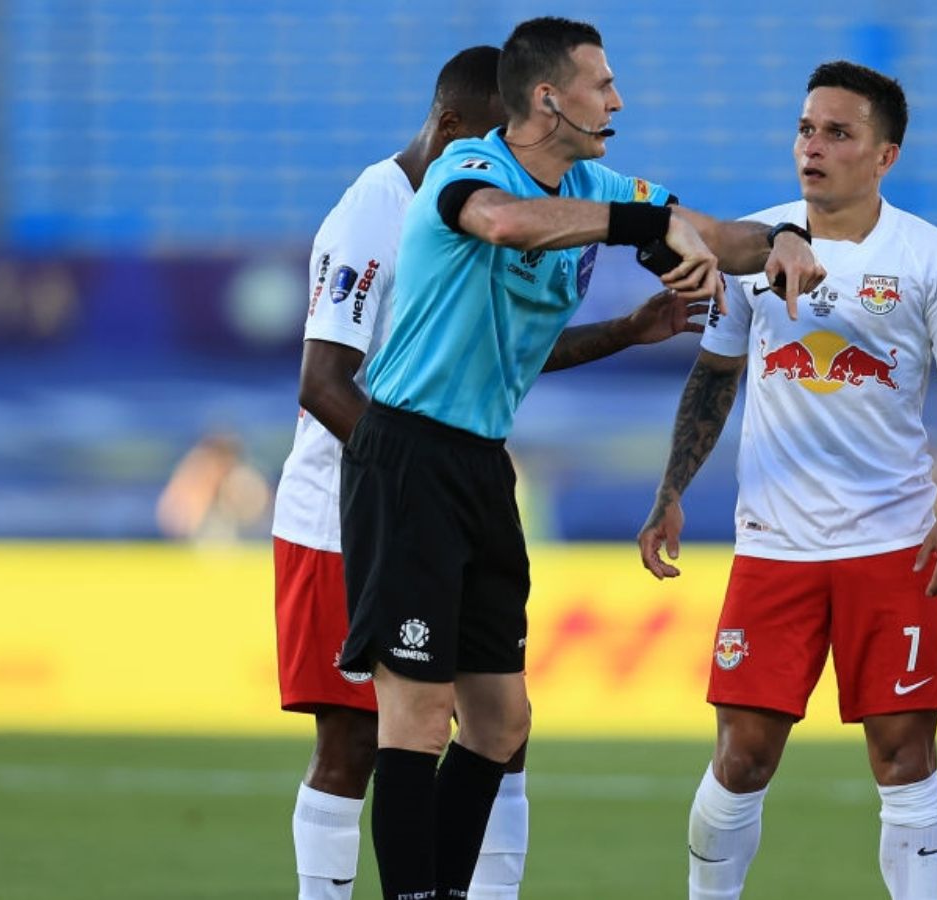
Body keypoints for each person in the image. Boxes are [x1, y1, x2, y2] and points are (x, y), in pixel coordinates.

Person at [335, 17, 825, 900]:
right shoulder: (469, 167)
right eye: (602, 85)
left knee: (500, 722)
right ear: (547, 98)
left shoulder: (598, 184)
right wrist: (647, 225)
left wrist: (784, 241)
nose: (618, 101)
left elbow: (710, 233)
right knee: (417, 715)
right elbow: (507, 224)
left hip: (482, 463)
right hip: (406, 453)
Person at [272, 44, 710, 900]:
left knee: (501, 725)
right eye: (489, 142)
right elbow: (323, 385)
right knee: (358, 738)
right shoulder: (376, 214)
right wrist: (409, 485)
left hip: (436, 491)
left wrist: (627, 329)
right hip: (344, 510)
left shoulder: (506, 202)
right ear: (450, 128)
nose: (504, 161)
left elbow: (509, 351)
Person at [637, 60, 937, 900]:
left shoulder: (932, 257)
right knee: (741, 757)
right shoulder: (750, 244)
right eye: (806, 129)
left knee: (905, 758)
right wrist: (670, 491)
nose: (814, 147)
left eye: (838, 133)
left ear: (885, 156)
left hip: (894, 545)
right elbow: (715, 375)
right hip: (775, 545)